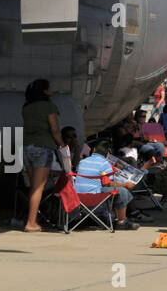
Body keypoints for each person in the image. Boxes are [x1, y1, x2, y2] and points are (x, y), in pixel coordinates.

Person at [21, 78, 66, 233]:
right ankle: (31, 222)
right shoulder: (49, 106)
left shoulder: (26, 107)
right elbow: (54, 129)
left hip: (27, 147)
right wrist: (62, 145)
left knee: (32, 187)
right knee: (38, 188)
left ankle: (31, 219)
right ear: (45, 91)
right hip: (43, 147)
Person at [76, 142, 140, 231]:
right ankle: (121, 221)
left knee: (119, 190)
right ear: (108, 154)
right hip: (94, 197)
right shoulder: (105, 163)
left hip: (78, 197)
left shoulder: (82, 162)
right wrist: (125, 184)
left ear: (94, 150)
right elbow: (110, 183)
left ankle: (119, 219)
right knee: (122, 191)